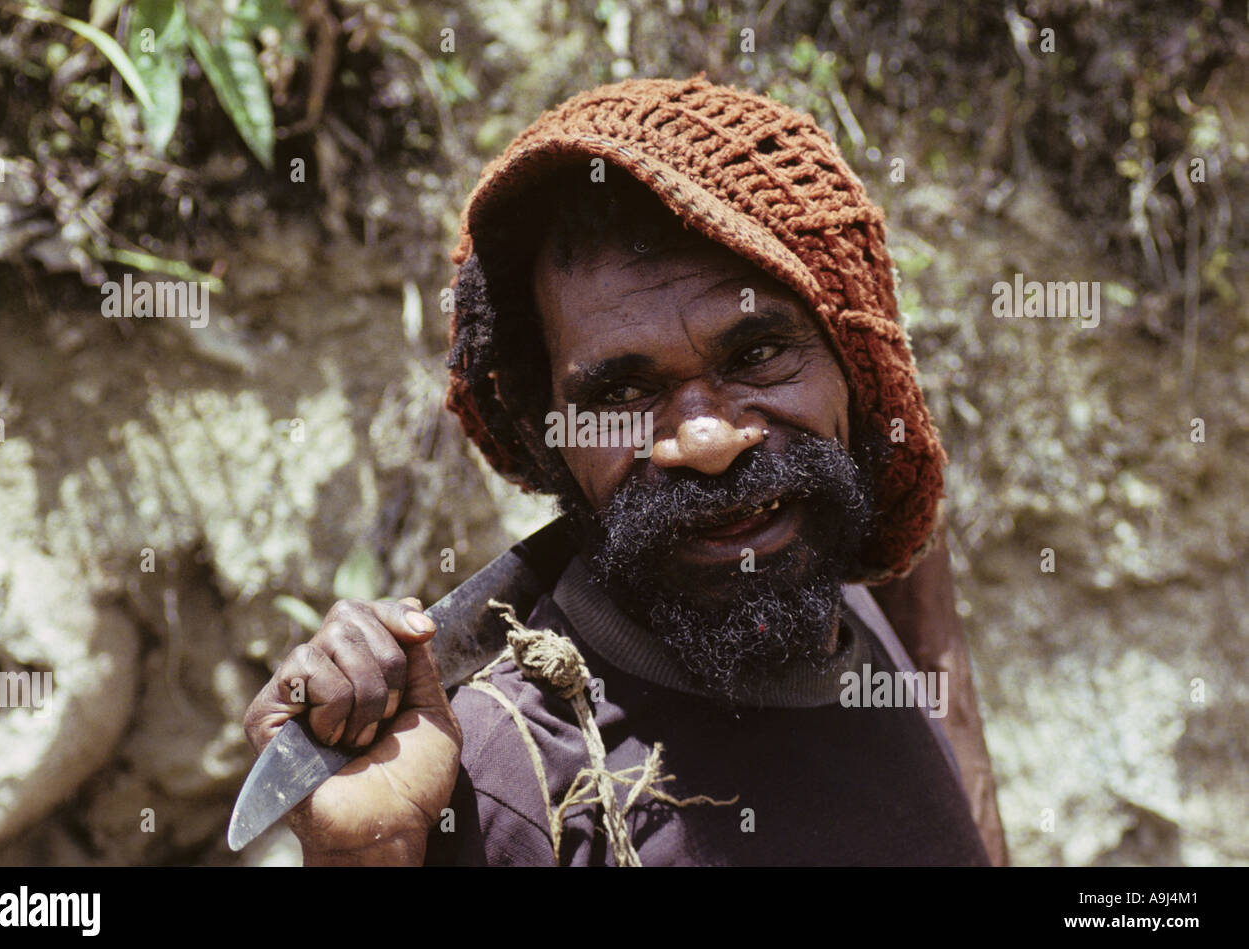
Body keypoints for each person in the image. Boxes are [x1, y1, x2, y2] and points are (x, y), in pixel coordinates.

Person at [243, 76, 1008, 866]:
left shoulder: (842, 559)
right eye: (624, 392)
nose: (708, 440)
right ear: (552, 439)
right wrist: (366, 857)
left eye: (758, 354)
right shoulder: (511, 790)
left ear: (858, 367)